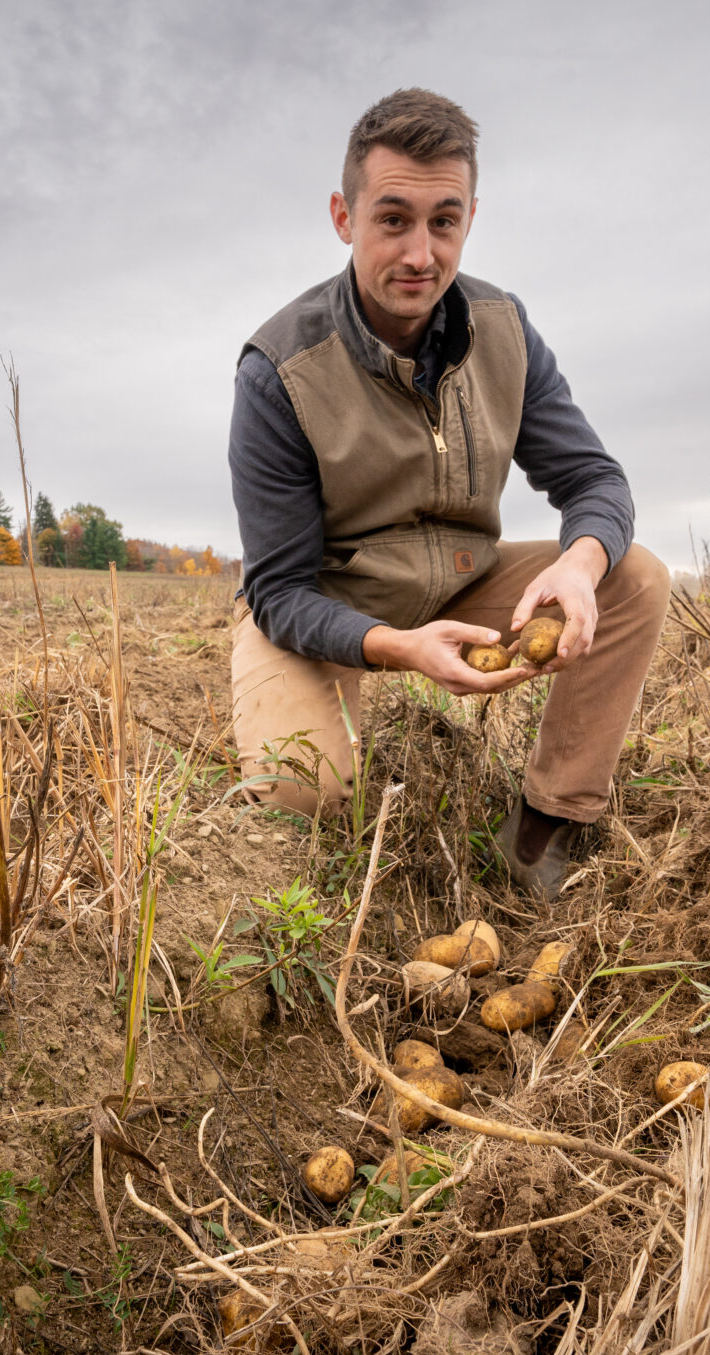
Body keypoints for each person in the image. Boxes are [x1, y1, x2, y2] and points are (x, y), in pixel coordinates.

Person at [227, 88, 669, 901]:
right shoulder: (279, 370)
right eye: (392, 219)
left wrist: (579, 562)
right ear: (343, 215)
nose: (420, 253)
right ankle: (278, 777)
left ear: (470, 218)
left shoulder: (504, 330)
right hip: (328, 606)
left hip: (461, 575)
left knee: (631, 573)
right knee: (304, 792)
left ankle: (542, 829)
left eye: (444, 220)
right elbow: (280, 590)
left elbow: (593, 478)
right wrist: (400, 645)